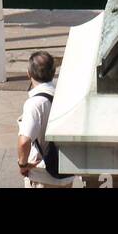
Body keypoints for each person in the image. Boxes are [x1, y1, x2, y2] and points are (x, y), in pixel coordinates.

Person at [16, 51, 73, 188]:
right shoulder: (65, 96)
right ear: (53, 72)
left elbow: (24, 142)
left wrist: (23, 165)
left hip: (43, 176)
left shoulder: (35, 104)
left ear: (29, 73)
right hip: (67, 171)